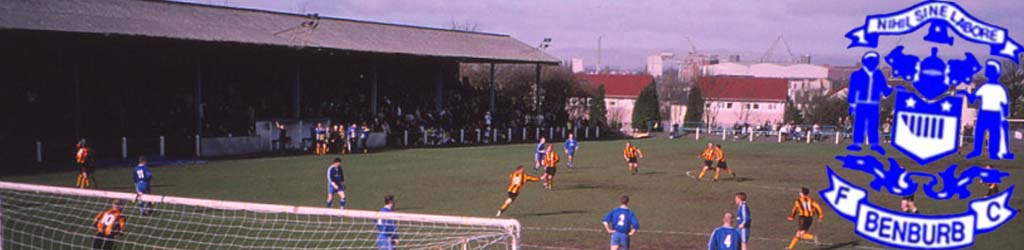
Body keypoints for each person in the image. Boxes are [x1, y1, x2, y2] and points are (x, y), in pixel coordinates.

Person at [963, 60, 1015, 160]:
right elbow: (973, 99)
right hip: (984, 113)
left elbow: (1004, 103)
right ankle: (977, 151)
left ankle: (993, 153)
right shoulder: (984, 87)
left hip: (994, 113)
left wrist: (1005, 113)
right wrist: (966, 93)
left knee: (994, 134)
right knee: (979, 132)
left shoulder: (1000, 88)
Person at [847, 51, 893, 155]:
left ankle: (874, 144)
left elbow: (885, 92)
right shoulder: (857, 75)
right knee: (859, 123)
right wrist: (852, 105)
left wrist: (890, 88)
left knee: (873, 124)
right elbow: (853, 91)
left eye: (875, 61)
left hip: (874, 104)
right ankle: (857, 143)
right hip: (861, 104)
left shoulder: (879, 75)